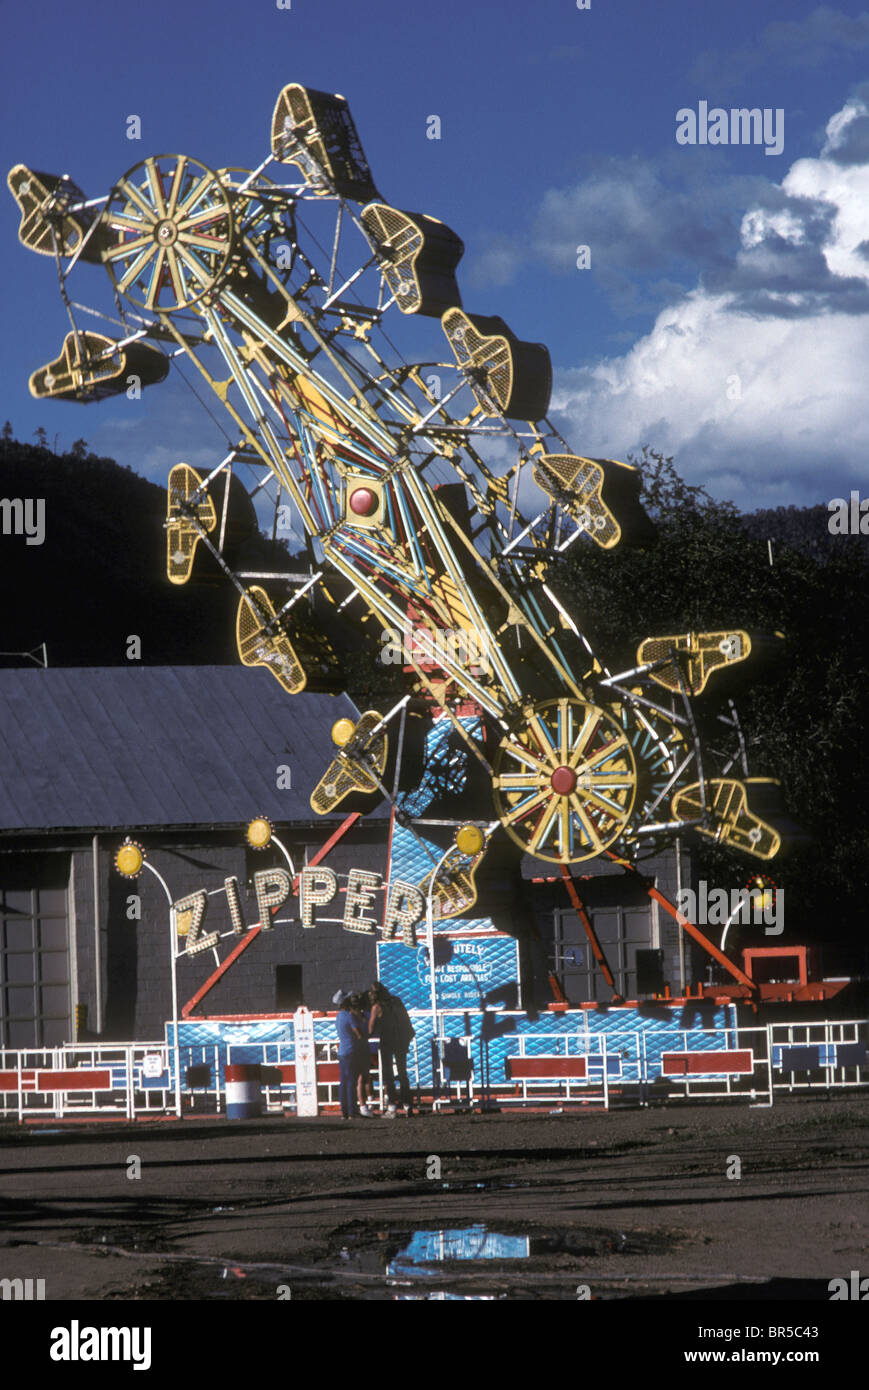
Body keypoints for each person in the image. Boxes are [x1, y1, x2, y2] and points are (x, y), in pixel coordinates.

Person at [368, 981, 415, 1116]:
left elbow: (370, 1029)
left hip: (387, 1042)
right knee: (402, 1073)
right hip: (401, 1041)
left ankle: (392, 1107)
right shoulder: (397, 1001)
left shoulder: (377, 1007)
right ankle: (407, 1105)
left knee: (388, 1075)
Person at [335, 993, 361, 1119]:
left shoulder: (338, 1016)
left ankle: (344, 1111)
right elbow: (358, 1033)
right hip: (350, 1050)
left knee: (343, 1082)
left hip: (341, 1052)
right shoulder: (349, 1016)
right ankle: (352, 1111)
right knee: (351, 1082)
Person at [349, 991, 373, 1117]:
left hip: (361, 1048)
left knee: (363, 1078)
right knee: (362, 1078)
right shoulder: (359, 1016)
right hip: (361, 1048)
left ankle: (365, 1105)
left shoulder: (357, 1016)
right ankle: (364, 1105)